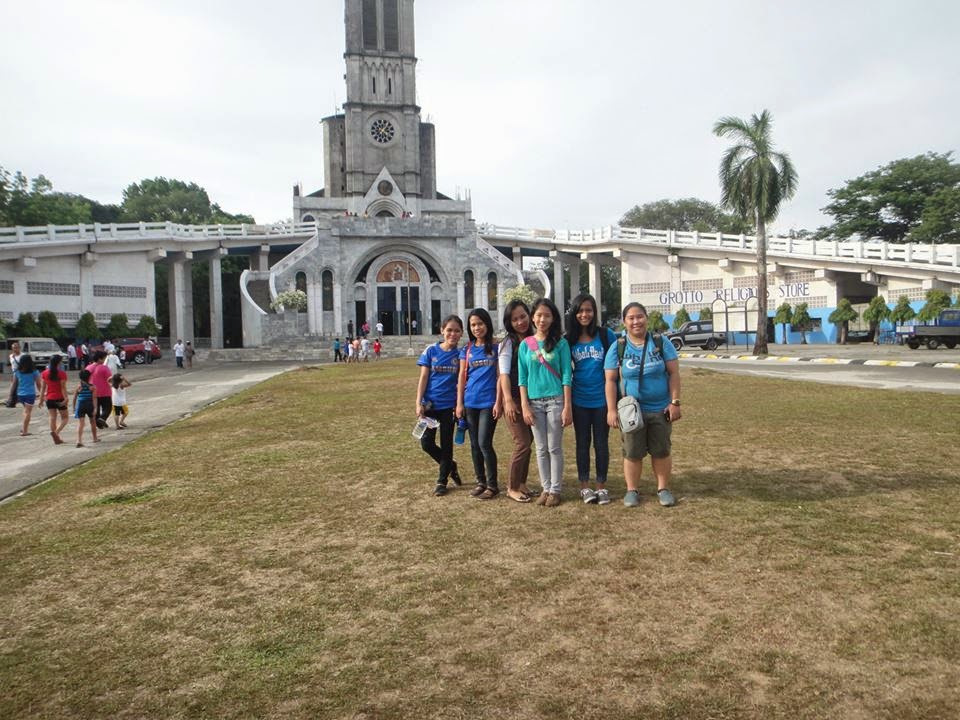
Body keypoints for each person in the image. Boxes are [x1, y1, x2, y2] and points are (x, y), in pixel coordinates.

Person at [604, 302, 682, 508]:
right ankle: (632, 490)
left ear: (646, 318)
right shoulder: (618, 346)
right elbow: (610, 380)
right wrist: (612, 410)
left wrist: (675, 402)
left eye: (639, 316)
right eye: (630, 318)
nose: (635, 321)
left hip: (660, 408)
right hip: (631, 412)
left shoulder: (661, 342)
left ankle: (663, 489)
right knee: (632, 452)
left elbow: (674, 373)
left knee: (662, 450)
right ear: (624, 322)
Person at [518, 298, 572, 507]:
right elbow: (522, 378)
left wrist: (567, 406)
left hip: (556, 401)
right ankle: (546, 488)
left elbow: (567, 375)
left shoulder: (561, 343)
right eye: (539, 315)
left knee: (554, 448)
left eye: (547, 315)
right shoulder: (526, 345)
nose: (542, 319)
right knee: (541, 448)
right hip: (534, 402)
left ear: (553, 318)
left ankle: (556, 490)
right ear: (533, 317)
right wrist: (524, 405)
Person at [566, 293, 618, 505]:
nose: (584, 314)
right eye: (580, 310)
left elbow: (617, 367)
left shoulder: (606, 336)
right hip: (579, 401)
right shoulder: (568, 340)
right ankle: (585, 487)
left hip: (603, 401)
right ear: (574, 313)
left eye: (588, 310)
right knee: (582, 444)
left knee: (601, 444)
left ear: (594, 312)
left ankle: (601, 487)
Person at [415, 315, 464, 496]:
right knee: (426, 443)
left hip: (448, 408)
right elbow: (423, 378)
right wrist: (418, 402)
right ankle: (450, 465)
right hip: (430, 406)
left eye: (457, 330)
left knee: (446, 443)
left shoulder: (460, 355)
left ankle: (442, 482)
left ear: (461, 334)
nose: (452, 334)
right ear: (442, 330)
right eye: (449, 330)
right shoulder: (431, 351)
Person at [456, 308, 502, 500]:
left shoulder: (497, 347)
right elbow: (461, 377)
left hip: (488, 402)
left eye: (480, 324)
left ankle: (492, 485)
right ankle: (480, 482)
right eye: (473, 325)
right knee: (474, 445)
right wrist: (459, 404)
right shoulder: (467, 350)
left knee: (484, 442)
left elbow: (500, 377)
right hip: (470, 402)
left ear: (487, 324)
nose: (477, 328)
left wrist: (499, 402)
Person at [498, 300, 535, 503]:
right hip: (513, 399)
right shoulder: (507, 344)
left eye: (522, 316)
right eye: (515, 319)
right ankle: (512, 486)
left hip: (532, 399)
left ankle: (521, 483)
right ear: (509, 322)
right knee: (522, 443)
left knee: (529, 442)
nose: (520, 322)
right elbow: (503, 374)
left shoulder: (534, 340)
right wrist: (508, 401)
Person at [40, 353, 69, 444]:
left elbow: (43, 388)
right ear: (59, 362)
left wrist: (41, 399)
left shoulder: (44, 373)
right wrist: (66, 398)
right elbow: (63, 388)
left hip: (49, 398)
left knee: (52, 417)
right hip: (59, 397)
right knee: (65, 418)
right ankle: (56, 433)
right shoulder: (62, 373)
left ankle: (55, 437)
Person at [14, 353, 41, 436]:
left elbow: (14, 383)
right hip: (30, 394)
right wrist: (42, 393)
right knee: (27, 412)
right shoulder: (34, 372)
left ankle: (24, 429)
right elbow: (38, 384)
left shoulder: (17, 371)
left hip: (20, 394)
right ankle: (25, 431)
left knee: (25, 411)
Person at [85, 350, 113, 429]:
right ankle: (102, 418)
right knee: (107, 407)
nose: (104, 360)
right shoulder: (104, 368)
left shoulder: (88, 367)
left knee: (96, 408)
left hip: (93, 391)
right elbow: (110, 379)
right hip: (105, 391)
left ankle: (99, 423)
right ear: (100, 359)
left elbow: (84, 379)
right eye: (104, 358)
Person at [71, 369, 99, 447]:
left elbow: (74, 398)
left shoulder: (79, 387)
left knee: (81, 424)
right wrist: (95, 408)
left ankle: (79, 440)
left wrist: (74, 408)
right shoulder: (92, 387)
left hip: (80, 405)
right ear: (89, 377)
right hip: (89, 405)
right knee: (92, 422)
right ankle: (95, 438)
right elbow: (94, 398)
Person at [5, 340, 21, 407]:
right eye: (13, 348)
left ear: (19, 348)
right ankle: (13, 401)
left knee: (14, 387)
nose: (15, 349)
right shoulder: (11, 356)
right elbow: (12, 365)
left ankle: (11, 401)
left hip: (20, 373)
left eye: (16, 347)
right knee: (14, 387)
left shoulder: (22, 356)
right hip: (14, 373)